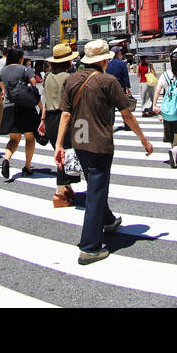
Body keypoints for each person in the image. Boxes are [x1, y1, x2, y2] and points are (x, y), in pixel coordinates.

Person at [56, 40, 153, 264]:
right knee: (96, 191)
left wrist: (60, 145)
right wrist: (144, 139)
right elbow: (127, 114)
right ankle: (90, 247)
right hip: (99, 142)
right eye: (107, 58)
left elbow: (66, 115)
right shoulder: (108, 81)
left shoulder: (72, 79)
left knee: (94, 185)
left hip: (78, 140)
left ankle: (108, 221)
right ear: (103, 60)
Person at [40, 43, 81, 206]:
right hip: (64, 118)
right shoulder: (69, 78)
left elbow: (45, 99)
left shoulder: (47, 77)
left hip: (49, 118)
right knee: (65, 155)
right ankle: (59, 194)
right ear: (68, 62)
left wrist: (42, 121)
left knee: (62, 154)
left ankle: (67, 188)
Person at [0, 48, 42, 179]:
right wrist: (40, 106)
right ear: (20, 58)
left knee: (14, 139)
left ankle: (6, 159)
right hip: (26, 107)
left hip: (10, 106)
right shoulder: (25, 69)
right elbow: (34, 86)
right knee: (29, 137)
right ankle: (27, 166)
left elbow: (2, 85)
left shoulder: (4, 71)